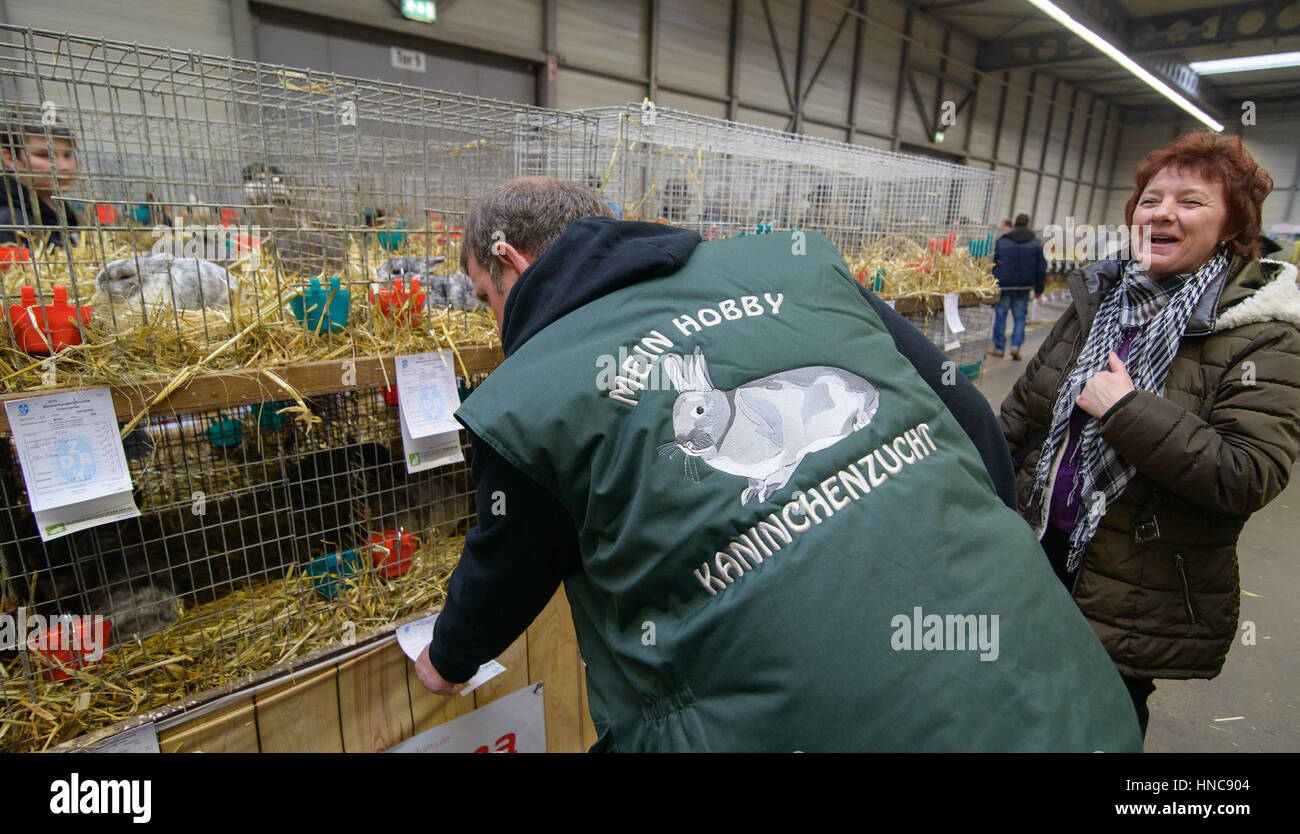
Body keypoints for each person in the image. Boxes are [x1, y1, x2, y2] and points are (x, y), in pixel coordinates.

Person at [414, 176, 1141, 752]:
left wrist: (447, 659)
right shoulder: (796, 262)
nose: (491, 317)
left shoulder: (532, 390)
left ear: (509, 260)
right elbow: (968, 415)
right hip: (1062, 691)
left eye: (485, 297)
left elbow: (504, 568)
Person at [999, 132, 1300, 739]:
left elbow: (1246, 474)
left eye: (1190, 202)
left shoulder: (1265, 335)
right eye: (1150, 199)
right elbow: (1020, 416)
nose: (1161, 212)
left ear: (1232, 228)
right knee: (1017, 696)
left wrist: (1127, 410)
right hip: (1035, 546)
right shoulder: (1098, 301)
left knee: (1102, 714)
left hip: (1136, 575)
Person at [0, 115, 81, 248]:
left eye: (68, 155)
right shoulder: (9, 220)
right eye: (44, 155)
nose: (64, 166)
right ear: (10, 158)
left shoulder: (62, 213)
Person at [989, 213, 1046, 360]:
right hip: (1023, 287)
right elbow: (1041, 268)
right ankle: (1015, 347)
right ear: (1028, 225)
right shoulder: (1035, 243)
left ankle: (999, 348)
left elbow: (993, 263)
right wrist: (1039, 290)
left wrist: (992, 283)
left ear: (1014, 225)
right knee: (1020, 318)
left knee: (1000, 316)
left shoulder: (1002, 241)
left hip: (1004, 285)